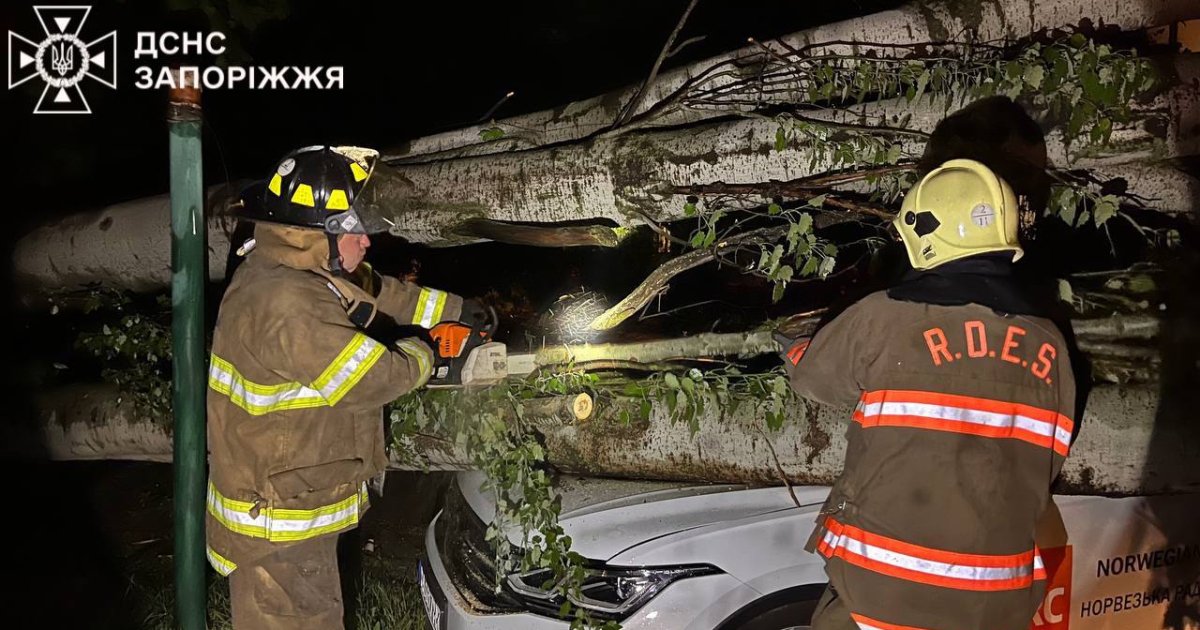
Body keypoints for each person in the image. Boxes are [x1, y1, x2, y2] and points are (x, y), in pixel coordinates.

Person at [777, 112, 1077, 628]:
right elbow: (1046, 457)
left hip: (877, 594)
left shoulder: (884, 319)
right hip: (994, 607)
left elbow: (813, 379)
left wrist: (792, 342)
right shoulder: (1051, 345)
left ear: (920, 233)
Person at [205, 145, 483, 629]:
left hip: (288, 499)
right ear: (322, 233)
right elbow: (371, 379)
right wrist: (429, 351)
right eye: (359, 229)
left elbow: (384, 293)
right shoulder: (288, 300)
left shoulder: (303, 267)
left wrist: (457, 311)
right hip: (277, 526)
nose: (370, 242)